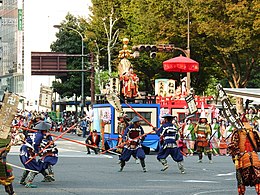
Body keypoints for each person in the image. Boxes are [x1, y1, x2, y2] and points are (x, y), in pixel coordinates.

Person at [228, 114, 260, 195]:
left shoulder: (237, 132)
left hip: (242, 158)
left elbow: (233, 146)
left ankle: (241, 193)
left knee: (240, 178)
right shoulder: (254, 131)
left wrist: (235, 157)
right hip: (254, 157)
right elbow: (258, 145)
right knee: (258, 177)